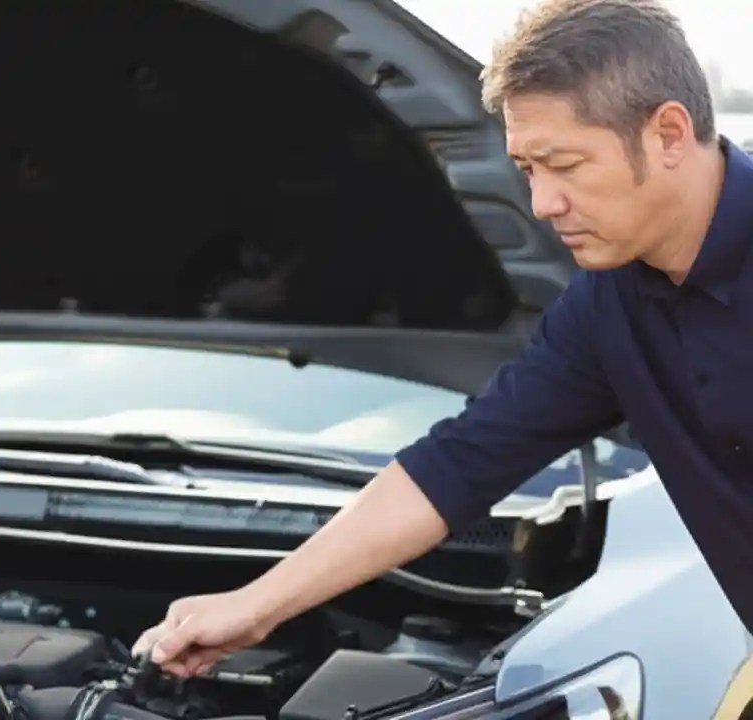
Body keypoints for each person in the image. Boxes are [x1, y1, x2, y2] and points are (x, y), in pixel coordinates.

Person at [133, 0, 753, 678]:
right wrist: (258, 605)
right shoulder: (608, 303)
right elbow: (458, 464)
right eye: (527, 170)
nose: (544, 203)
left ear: (667, 133)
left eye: (565, 164)